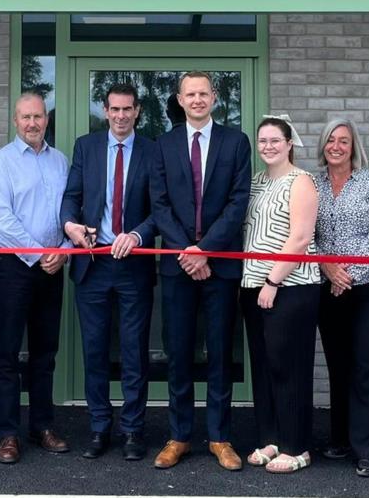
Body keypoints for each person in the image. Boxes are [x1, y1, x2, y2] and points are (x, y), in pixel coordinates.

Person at [148, 71, 251, 472]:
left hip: (220, 266)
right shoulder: (164, 144)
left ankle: (220, 438)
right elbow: (159, 205)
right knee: (178, 354)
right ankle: (179, 436)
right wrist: (187, 253)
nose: (197, 99)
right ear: (179, 98)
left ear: (214, 98)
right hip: (178, 268)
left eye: (203, 93)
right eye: (190, 94)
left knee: (221, 354)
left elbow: (239, 200)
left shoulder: (235, 142)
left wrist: (205, 250)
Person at [61, 83, 157, 461]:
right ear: (105, 110)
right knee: (95, 351)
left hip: (133, 265)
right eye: (114, 109)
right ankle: (99, 428)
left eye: (127, 109)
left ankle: (133, 430)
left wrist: (137, 234)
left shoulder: (152, 150)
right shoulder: (86, 147)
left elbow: (159, 208)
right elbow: (72, 196)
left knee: (134, 353)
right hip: (93, 263)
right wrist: (70, 225)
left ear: (137, 112)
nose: (120, 115)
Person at [0, 92, 72, 463]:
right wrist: (40, 254)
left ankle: (42, 426)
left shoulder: (61, 161)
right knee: (7, 353)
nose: (33, 123)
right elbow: (1, 221)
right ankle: (7, 433)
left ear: (46, 119)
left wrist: (65, 248)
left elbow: (73, 209)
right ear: (15, 121)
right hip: (13, 268)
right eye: (25, 117)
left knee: (45, 352)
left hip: (52, 268)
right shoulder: (1, 163)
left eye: (38, 116)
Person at [312, 117, 369, 478]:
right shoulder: (311, 183)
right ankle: (341, 437)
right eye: (331, 140)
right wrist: (329, 270)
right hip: (328, 285)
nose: (336, 146)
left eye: (343, 141)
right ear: (323, 145)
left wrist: (350, 276)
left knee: (367, 364)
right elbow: (304, 233)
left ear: (353, 146)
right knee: (338, 364)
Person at [240, 115, 321, 474]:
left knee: (289, 366)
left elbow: (301, 237)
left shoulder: (300, 181)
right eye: (263, 141)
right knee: (263, 366)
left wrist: (273, 281)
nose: (268, 146)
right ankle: (271, 438)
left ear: (290, 143)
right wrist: (258, 284)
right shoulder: (256, 182)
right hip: (253, 286)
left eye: (275, 140)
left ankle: (297, 446)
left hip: (290, 287)